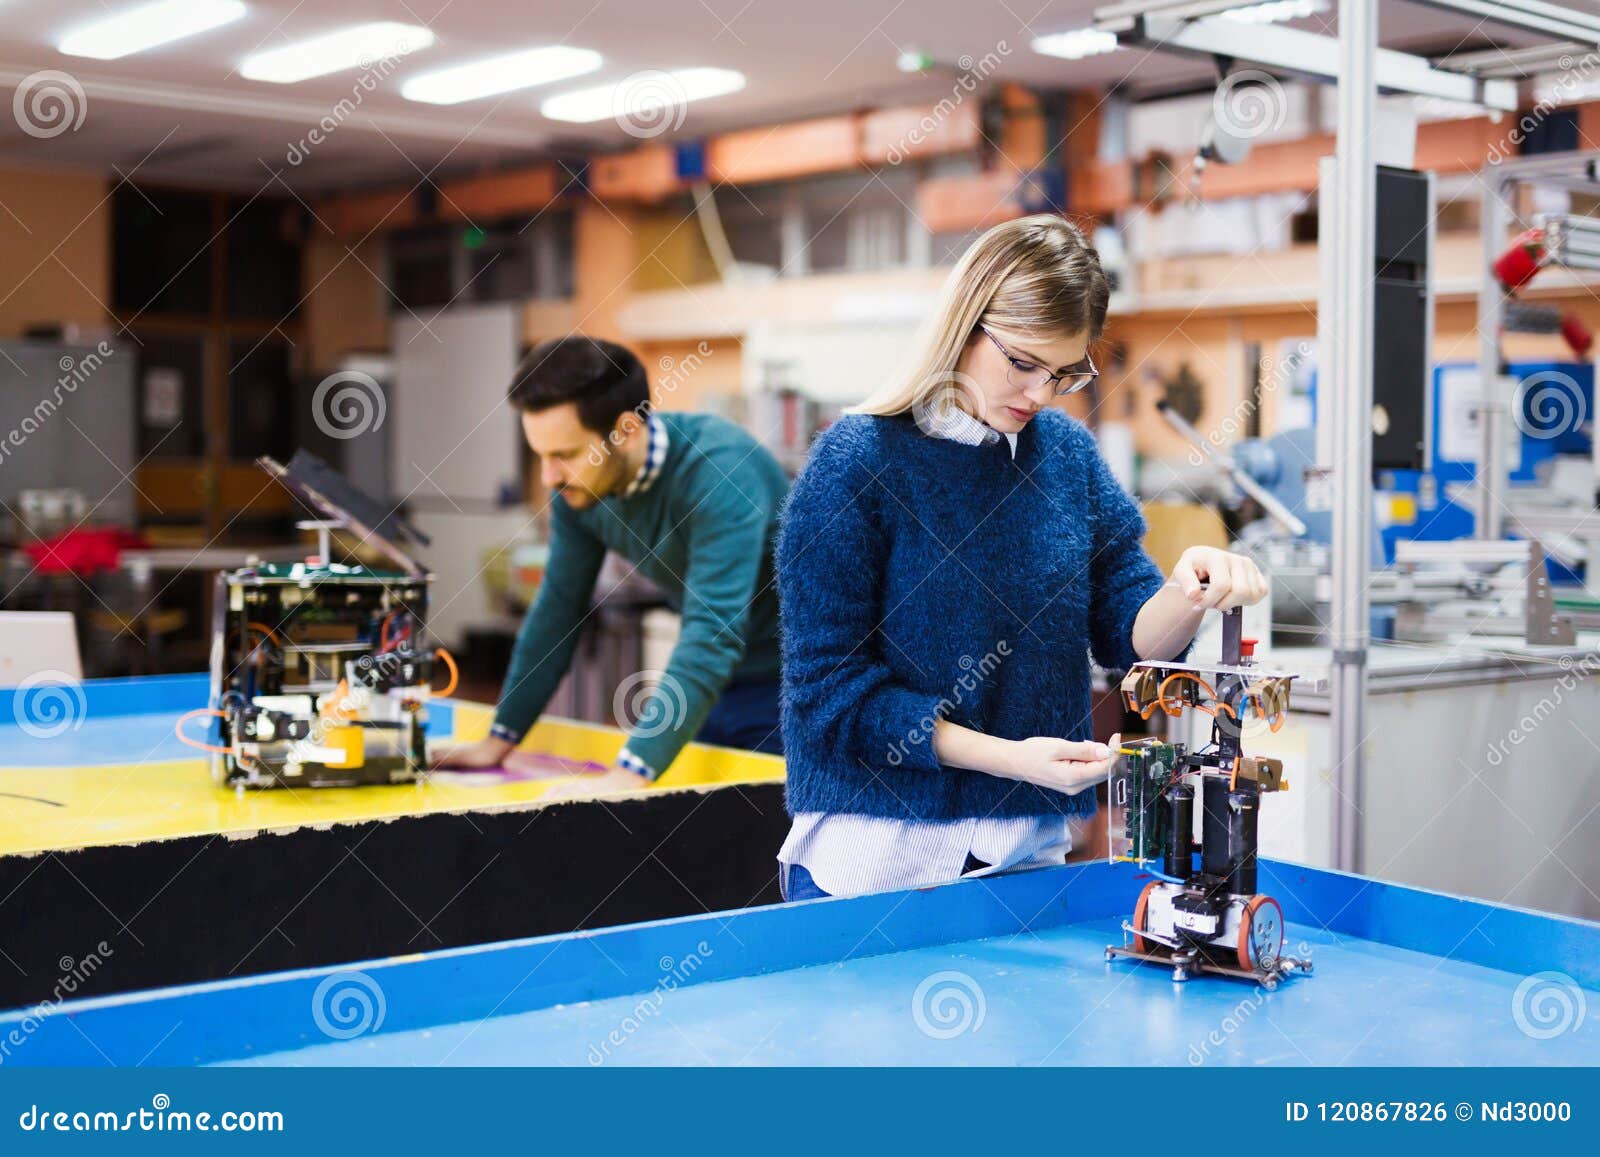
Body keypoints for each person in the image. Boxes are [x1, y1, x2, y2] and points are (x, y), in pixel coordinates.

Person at [775, 215, 1269, 900]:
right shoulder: (858, 463)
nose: (1039, 393)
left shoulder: (1064, 457)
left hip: (1026, 861)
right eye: (1022, 363)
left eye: (1066, 371)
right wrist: (1009, 759)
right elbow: (830, 694)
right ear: (964, 324)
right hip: (875, 865)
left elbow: (1130, 632)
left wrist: (1190, 588)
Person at [433, 336, 788, 792]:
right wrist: (497, 740)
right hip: (718, 686)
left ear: (625, 430)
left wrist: (628, 773)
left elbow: (712, 633)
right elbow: (558, 608)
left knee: (764, 844)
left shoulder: (719, 472)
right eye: (540, 455)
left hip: (793, 688)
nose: (549, 477)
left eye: (565, 455)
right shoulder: (579, 492)